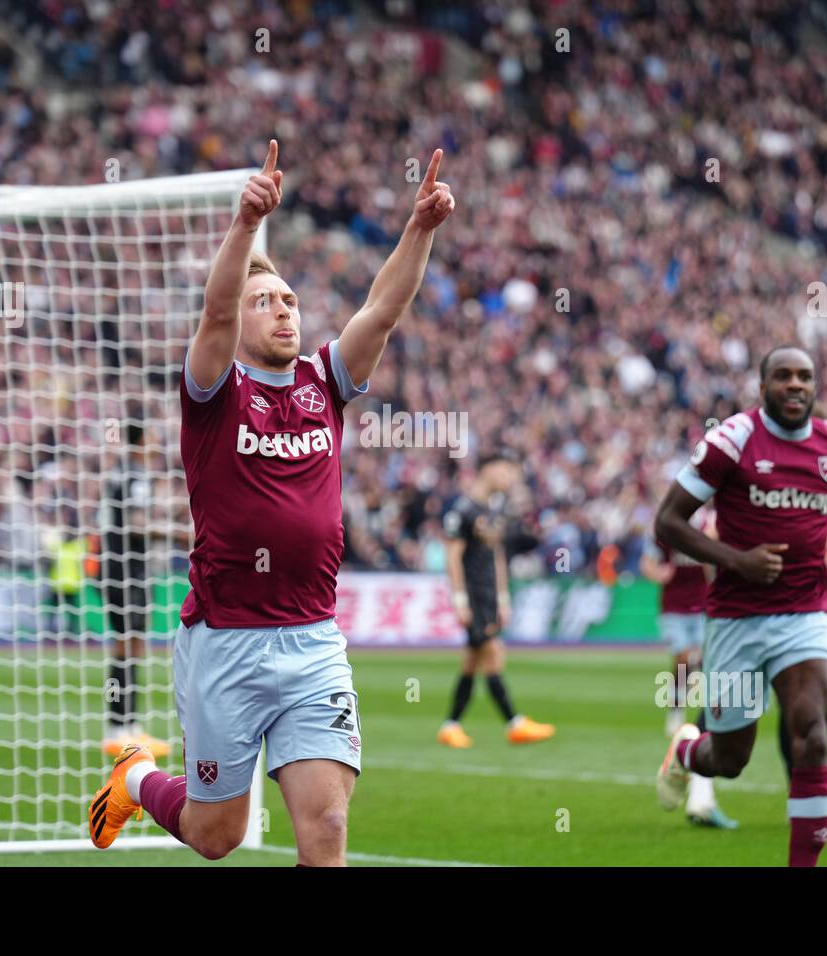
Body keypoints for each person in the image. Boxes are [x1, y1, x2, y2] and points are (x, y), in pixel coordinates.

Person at [89, 140, 455, 865]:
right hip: (226, 642)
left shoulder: (325, 381)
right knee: (215, 836)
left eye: (289, 299)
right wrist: (244, 226)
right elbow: (218, 310)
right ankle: (134, 775)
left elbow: (381, 309)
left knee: (326, 832)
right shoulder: (214, 393)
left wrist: (420, 229)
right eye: (267, 302)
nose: (284, 310)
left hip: (314, 641)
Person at [652, 345, 827, 866]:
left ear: (816, 386)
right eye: (783, 376)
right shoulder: (731, 441)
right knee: (729, 760)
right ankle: (685, 750)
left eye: (805, 377)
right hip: (737, 621)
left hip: (807, 616)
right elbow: (668, 521)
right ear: (763, 386)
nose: (795, 385)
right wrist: (737, 561)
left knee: (811, 737)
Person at [437, 453, 554, 748]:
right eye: (506, 471)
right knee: (492, 652)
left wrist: (503, 597)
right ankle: (514, 722)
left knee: (472, 661)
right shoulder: (462, 510)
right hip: (474, 594)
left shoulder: (493, 510)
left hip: (489, 595)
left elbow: (497, 556)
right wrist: (460, 599)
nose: (510, 478)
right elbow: (453, 557)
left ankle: (451, 725)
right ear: (487, 469)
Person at [641, 507, 735, 828]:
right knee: (683, 659)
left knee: (705, 665)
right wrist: (657, 574)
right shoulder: (667, 529)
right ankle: (676, 713)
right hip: (674, 606)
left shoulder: (712, 524)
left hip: (704, 605)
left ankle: (686, 743)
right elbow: (648, 562)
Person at [99, 420, 171, 758]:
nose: (158, 441)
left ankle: (127, 724)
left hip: (117, 565)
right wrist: (174, 533)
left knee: (130, 647)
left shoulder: (121, 471)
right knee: (126, 647)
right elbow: (136, 526)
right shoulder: (136, 476)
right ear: (143, 439)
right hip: (126, 568)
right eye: (154, 435)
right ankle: (118, 727)